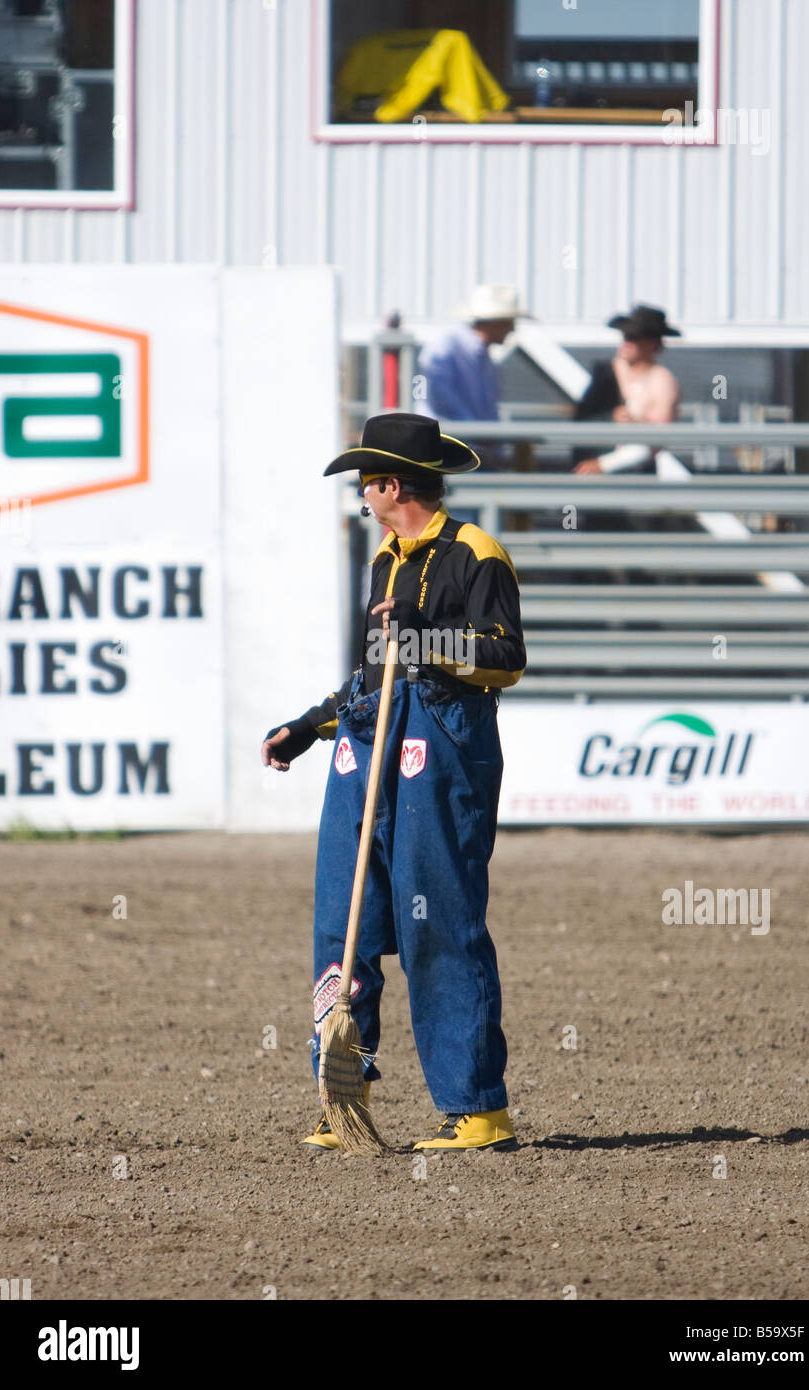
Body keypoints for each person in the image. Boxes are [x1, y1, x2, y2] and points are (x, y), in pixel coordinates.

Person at [261, 413, 526, 1152]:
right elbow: (374, 670)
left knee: (437, 920)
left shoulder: (477, 553)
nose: (361, 497)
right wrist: (312, 726)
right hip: (369, 739)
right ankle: (342, 1099)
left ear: (389, 484)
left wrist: (427, 638)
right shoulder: (385, 558)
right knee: (343, 923)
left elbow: (507, 656)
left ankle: (478, 1109)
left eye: (364, 484)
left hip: (442, 747)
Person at [573, 303, 681, 474]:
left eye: (634, 338)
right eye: (625, 336)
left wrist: (604, 465)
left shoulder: (662, 382)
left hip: (632, 476)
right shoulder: (606, 374)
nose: (626, 343)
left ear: (652, 344)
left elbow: (657, 440)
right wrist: (611, 418)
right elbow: (583, 418)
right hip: (593, 465)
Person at [416, 283, 524, 424]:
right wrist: (480, 433)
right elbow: (438, 399)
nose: (513, 328)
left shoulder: (483, 359)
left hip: (465, 441)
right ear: (494, 322)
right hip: (447, 443)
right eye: (509, 322)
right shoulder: (445, 348)